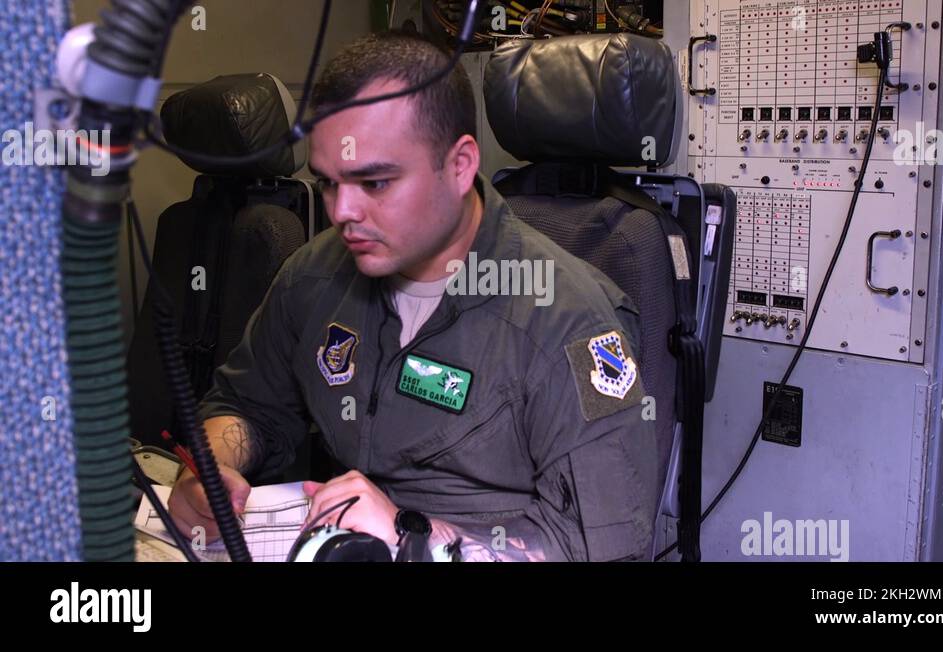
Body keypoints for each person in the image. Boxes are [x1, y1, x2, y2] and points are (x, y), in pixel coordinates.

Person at [168, 31, 659, 561]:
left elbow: (604, 548)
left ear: (460, 165)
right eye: (330, 183)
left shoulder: (568, 321)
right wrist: (212, 467)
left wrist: (409, 536)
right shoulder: (313, 277)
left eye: (374, 183)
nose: (341, 213)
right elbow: (248, 404)